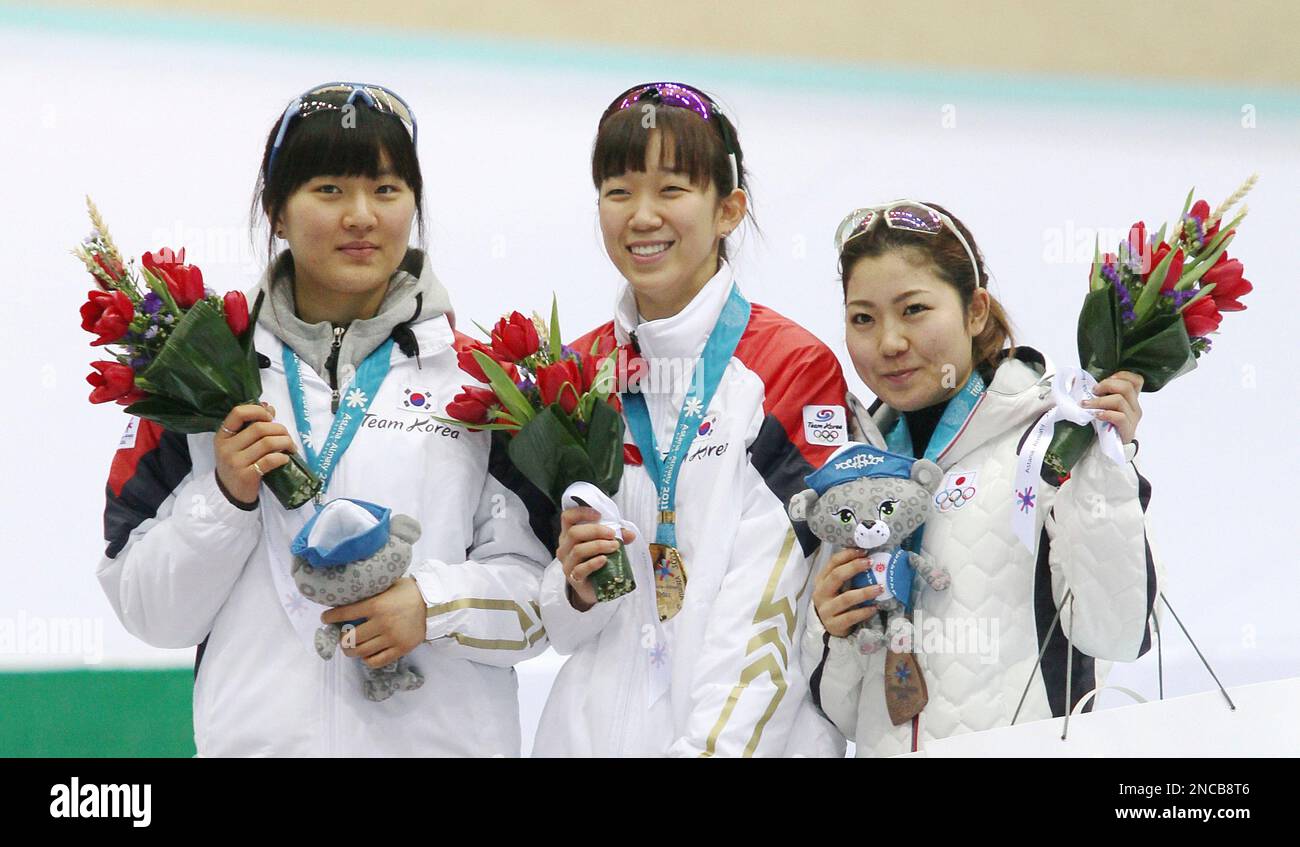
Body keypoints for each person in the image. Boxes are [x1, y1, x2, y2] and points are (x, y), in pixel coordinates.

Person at [97, 82, 551, 756]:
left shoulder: (482, 384)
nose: (361, 216)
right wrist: (224, 497)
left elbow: (548, 597)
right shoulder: (200, 380)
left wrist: (433, 606)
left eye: (387, 189)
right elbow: (147, 611)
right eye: (330, 190)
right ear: (277, 211)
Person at [533, 82, 850, 757]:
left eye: (671, 189)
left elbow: (767, 619)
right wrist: (575, 592)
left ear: (728, 208)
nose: (642, 216)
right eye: (618, 191)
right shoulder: (578, 374)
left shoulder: (790, 370)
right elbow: (560, 625)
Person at [804, 200, 1162, 756]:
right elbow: (846, 715)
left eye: (914, 309)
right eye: (863, 319)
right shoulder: (856, 471)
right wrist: (836, 632)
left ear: (975, 311)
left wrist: (1108, 464)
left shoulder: (1048, 443)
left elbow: (1118, 631)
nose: (890, 342)